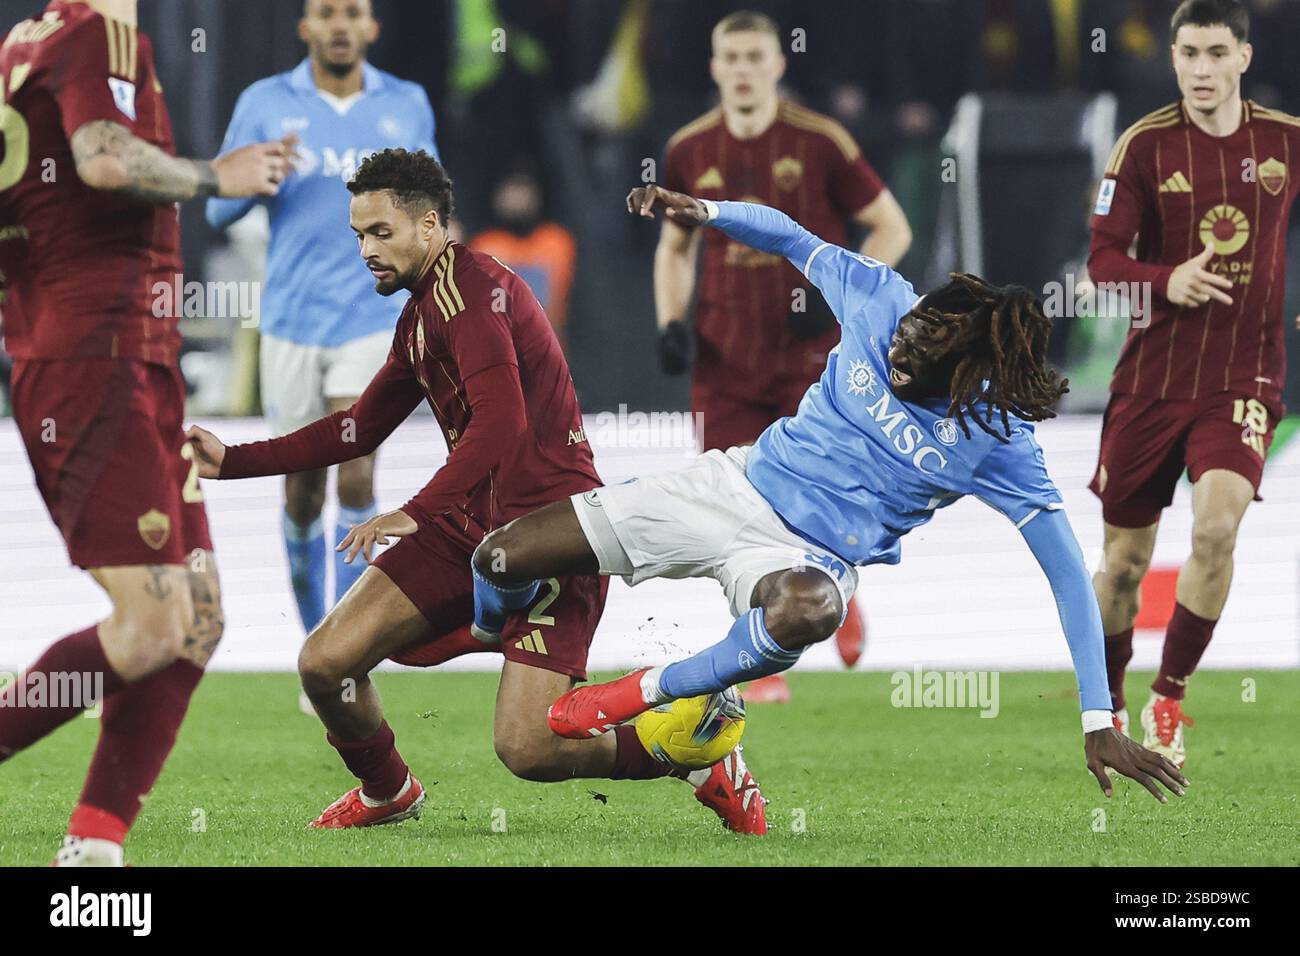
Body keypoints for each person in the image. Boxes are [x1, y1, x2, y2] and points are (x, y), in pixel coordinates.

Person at [472, 184, 1190, 806]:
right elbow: (791, 235)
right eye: (906, 339)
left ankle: (643, 695)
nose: (899, 357)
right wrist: (707, 212)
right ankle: (494, 638)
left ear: (968, 377)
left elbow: (1068, 575)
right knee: (502, 558)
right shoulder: (882, 301)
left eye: (922, 362)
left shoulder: (995, 440)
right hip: (732, 485)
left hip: (807, 559)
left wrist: (1099, 719)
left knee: (810, 609)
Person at [186, 151, 768, 834]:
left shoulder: (471, 295)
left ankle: (691, 758)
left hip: (553, 535)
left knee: (528, 749)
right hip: (470, 528)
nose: (366, 250)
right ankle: (388, 790)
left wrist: (414, 511)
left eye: (381, 232)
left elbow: (502, 421)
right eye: (358, 236)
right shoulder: (421, 315)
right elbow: (355, 428)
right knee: (325, 662)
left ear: (429, 224)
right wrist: (231, 460)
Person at [0, 0, 294, 865]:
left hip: (117, 355)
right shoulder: (101, 31)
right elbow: (101, 159)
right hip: (102, 358)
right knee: (151, 627)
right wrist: (220, 177)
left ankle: (94, 844)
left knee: (196, 619)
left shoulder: (25, 44)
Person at [654, 11, 913, 701]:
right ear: (715, 68)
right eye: (730, 57)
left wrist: (846, 297)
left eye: (753, 56)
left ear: (777, 64)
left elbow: (893, 227)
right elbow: (675, 247)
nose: (742, 68)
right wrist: (671, 320)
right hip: (725, 350)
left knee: (814, 493)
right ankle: (758, 652)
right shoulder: (688, 148)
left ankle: (839, 591)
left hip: (809, 357)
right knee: (731, 505)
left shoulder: (819, 141)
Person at [206, 0, 438, 714]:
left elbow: (431, 212)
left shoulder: (408, 104)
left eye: (354, 12)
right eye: (326, 12)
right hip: (289, 322)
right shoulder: (264, 103)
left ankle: (346, 652)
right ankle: (317, 644)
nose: (341, 23)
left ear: (372, 27)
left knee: (358, 471)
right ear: (305, 27)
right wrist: (254, 178)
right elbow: (217, 210)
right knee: (302, 491)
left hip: (371, 318)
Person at [1087, 0, 1299, 766]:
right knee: (1122, 566)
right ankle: (1104, 708)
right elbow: (1103, 263)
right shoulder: (1144, 146)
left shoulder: (1284, 140)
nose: (1201, 70)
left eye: (1216, 53)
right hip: (1152, 378)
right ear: (1173, 57)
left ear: (1243, 56)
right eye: (1188, 54)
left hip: (1245, 377)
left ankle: (1168, 697)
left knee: (1215, 531)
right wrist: (1166, 278)